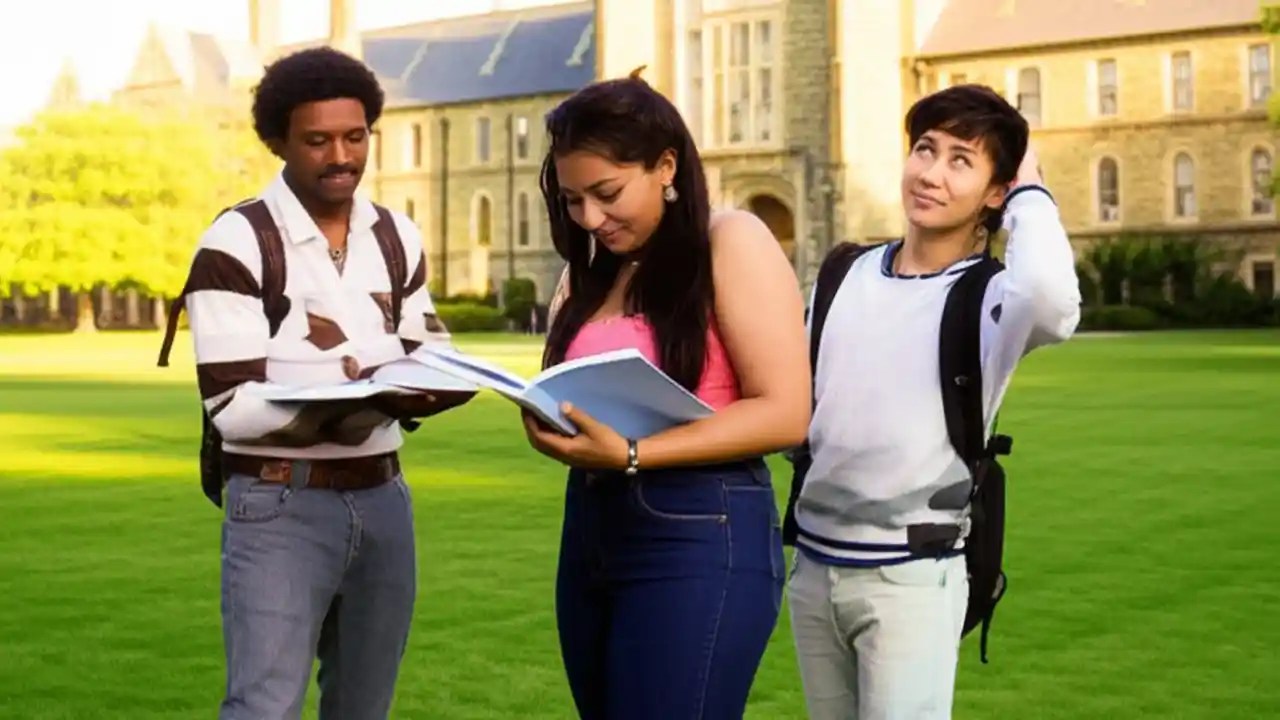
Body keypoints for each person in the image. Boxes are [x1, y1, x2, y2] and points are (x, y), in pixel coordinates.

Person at [170, 47, 473, 720]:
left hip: (384, 497)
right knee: (264, 707)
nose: (341, 155)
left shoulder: (394, 235)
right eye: (318, 140)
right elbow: (231, 408)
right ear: (277, 141)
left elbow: (430, 349)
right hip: (279, 501)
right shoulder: (238, 242)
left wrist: (437, 383)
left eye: (355, 136)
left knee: (365, 707)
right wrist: (360, 404)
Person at [785, 84, 1081, 719]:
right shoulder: (843, 273)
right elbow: (798, 406)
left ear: (995, 192)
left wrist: (1029, 182)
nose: (930, 173)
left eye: (960, 161)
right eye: (925, 149)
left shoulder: (992, 298)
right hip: (813, 569)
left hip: (911, 578)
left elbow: (1054, 300)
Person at [522, 72, 811, 719]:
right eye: (572, 200)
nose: (590, 219)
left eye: (607, 193)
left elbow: (787, 411)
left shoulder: (730, 240)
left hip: (699, 525)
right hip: (593, 525)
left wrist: (630, 452)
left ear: (666, 166)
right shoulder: (590, 270)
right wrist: (547, 418)